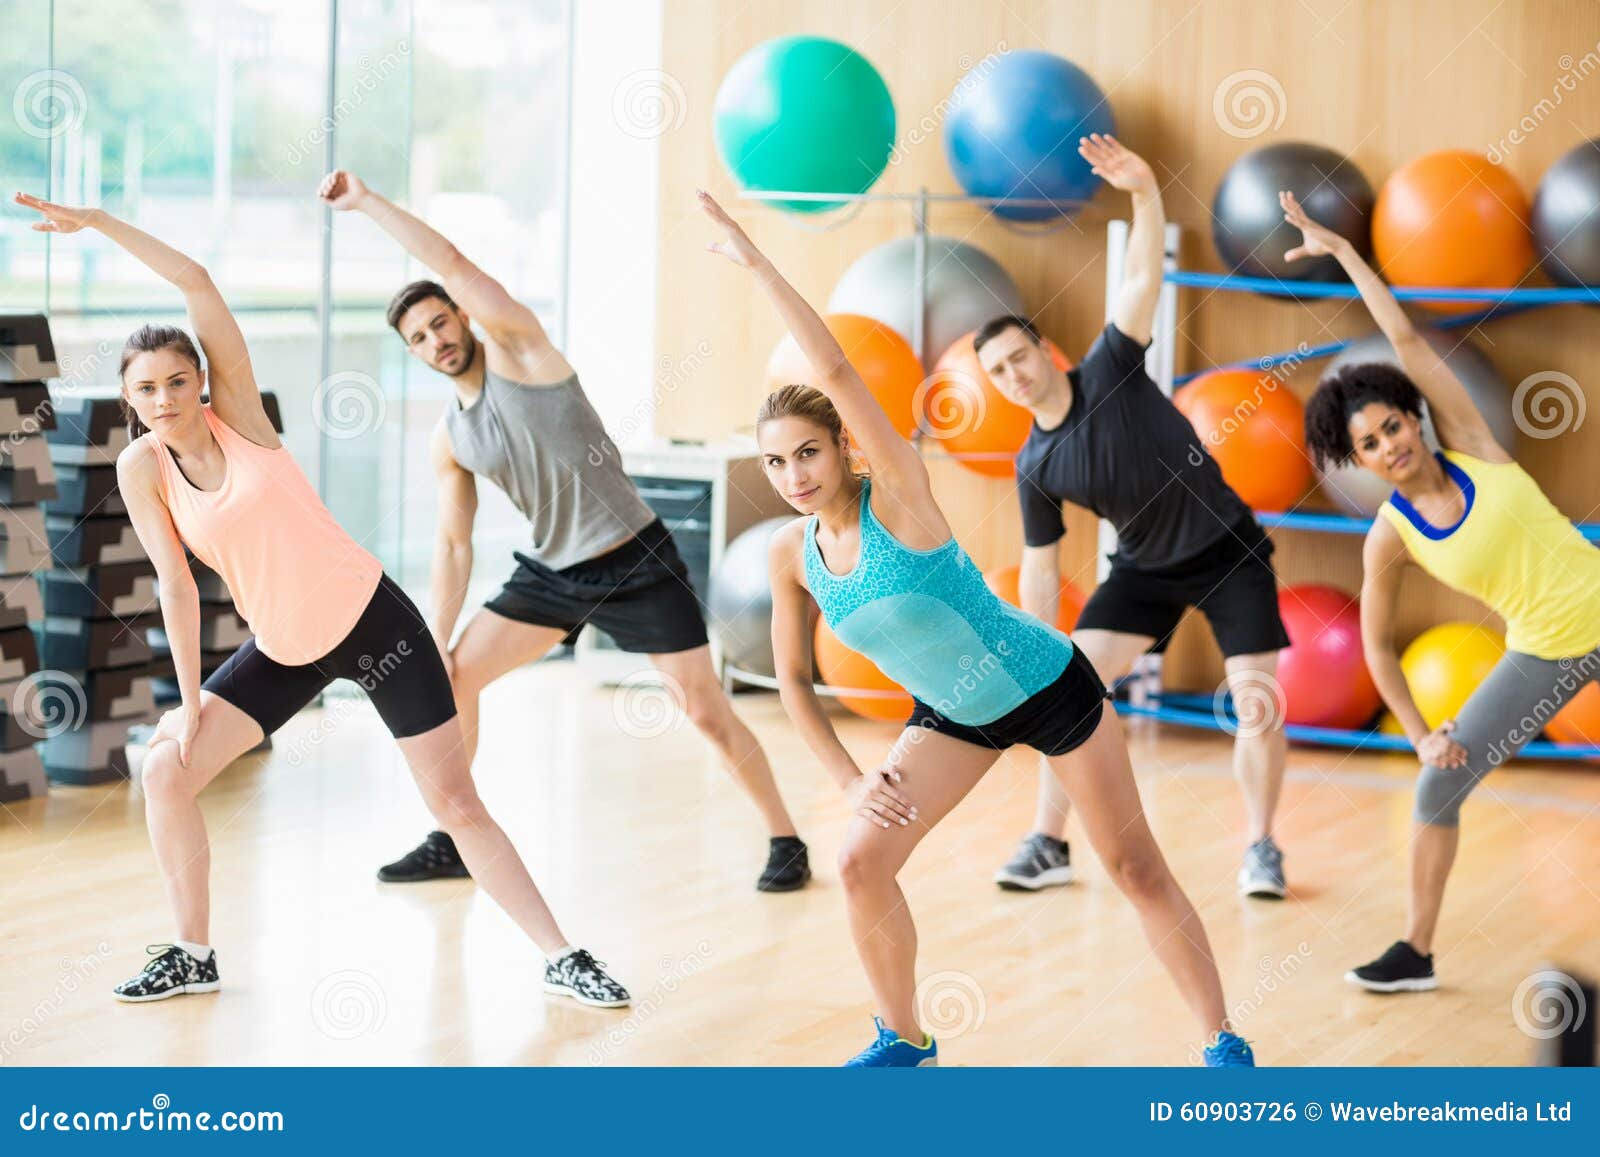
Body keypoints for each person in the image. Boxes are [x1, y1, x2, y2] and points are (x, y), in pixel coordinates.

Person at [13, 190, 630, 1010]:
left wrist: (97, 225)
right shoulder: (142, 468)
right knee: (166, 770)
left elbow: (196, 278)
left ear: (203, 382)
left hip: (376, 622)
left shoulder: (238, 417)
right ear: (130, 399)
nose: (164, 398)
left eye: (177, 379)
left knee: (452, 799)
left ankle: (563, 954)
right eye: (146, 388)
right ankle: (193, 952)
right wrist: (191, 703)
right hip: (283, 647)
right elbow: (173, 584)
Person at [698, 188, 1253, 1067]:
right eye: (775, 461)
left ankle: (1222, 1039)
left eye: (808, 451)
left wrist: (759, 265)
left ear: (843, 446)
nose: (794, 474)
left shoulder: (904, 495)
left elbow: (838, 370)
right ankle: (905, 1037)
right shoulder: (791, 555)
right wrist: (847, 779)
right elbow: (794, 685)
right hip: (953, 715)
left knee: (1134, 866)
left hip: (1049, 686)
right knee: (859, 862)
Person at [317, 170, 810, 893]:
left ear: (462, 315)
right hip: (552, 573)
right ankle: (455, 832)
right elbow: (455, 546)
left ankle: (785, 837)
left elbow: (454, 260)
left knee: (704, 711)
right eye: (418, 338)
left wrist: (365, 202)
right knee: (454, 678)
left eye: (441, 322)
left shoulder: (524, 353)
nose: (435, 340)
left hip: (637, 558)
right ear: (413, 352)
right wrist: (441, 638)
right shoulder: (451, 437)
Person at [1283, 189, 1600, 993]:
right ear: (1357, 460)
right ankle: (1416, 951)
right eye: (1368, 443)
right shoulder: (1390, 534)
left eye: (1392, 425)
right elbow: (1378, 644)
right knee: (1438, 783)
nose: (1388, 444)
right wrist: (1424, 733)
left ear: (1415, 420)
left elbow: (1401, 337)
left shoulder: (1473, 442)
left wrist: (1345, 252)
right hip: (1546, 651)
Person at [977, 134, 1293, 900]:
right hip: (1145, 570)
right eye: (996, 371)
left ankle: (1262, 847)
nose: (1013, 375)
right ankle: (1048, 842)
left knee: (1255, 697)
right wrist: (1035, 652)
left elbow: (1142, 275)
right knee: (1072, 689)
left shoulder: (1111, 367)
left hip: (1230, 551)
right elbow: (1044, 569)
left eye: (1019, 356)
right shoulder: (1034, 465)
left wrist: (1144, 189)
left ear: (1043, 351)